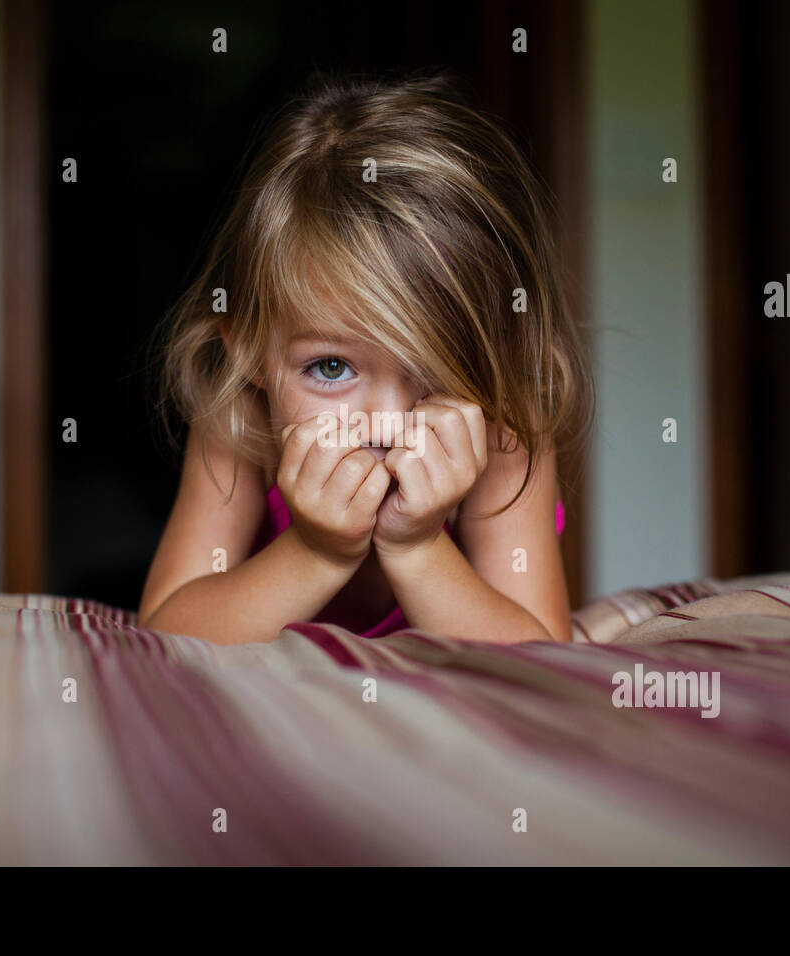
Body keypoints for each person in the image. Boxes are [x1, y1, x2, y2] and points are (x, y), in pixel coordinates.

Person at [138, 71, 592, 644]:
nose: (386, 422)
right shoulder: (240, 417)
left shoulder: (506, 425)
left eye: (435, 369)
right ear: (248, 354)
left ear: (501, 355)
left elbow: (539, 654)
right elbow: (166, 632)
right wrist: (316, 550)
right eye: (331, 367)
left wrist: (419, 546)